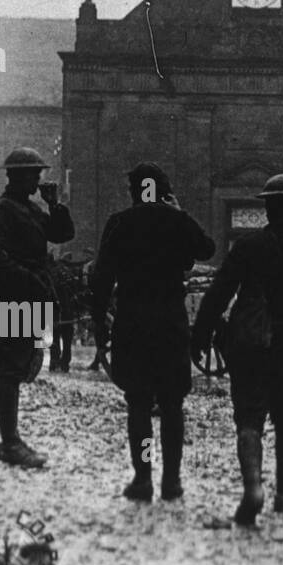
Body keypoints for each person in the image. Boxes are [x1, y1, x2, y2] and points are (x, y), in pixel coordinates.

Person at [191, 174, 283, 524]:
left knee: (249, 420)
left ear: (266, 207)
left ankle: (253, 488)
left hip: (249, 343)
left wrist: (201, 336)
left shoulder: (247, 247)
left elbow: (219, 293)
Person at [88, 163, 215, 502]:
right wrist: (180, 213)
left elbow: (101, 278)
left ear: (134, 191)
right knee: (173, 405)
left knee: (139, 405)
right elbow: (206, 248)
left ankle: (143, 478)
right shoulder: (176, 221)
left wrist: (99, 320)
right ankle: (171, 481)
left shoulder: (120, 223)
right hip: (171, 324)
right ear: (164, 190)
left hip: (133, 324)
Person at [0, 147, 74, 469]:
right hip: (15, 296)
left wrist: (54, 204)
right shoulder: (0, 211)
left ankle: (11, 437)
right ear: (18, 176)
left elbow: (63, 233)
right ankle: (11, 443)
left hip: (30, 295)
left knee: (18, 366)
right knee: (10, 367)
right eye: (34, 173)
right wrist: (25, 277)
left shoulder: (31, 210)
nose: (38, 178)